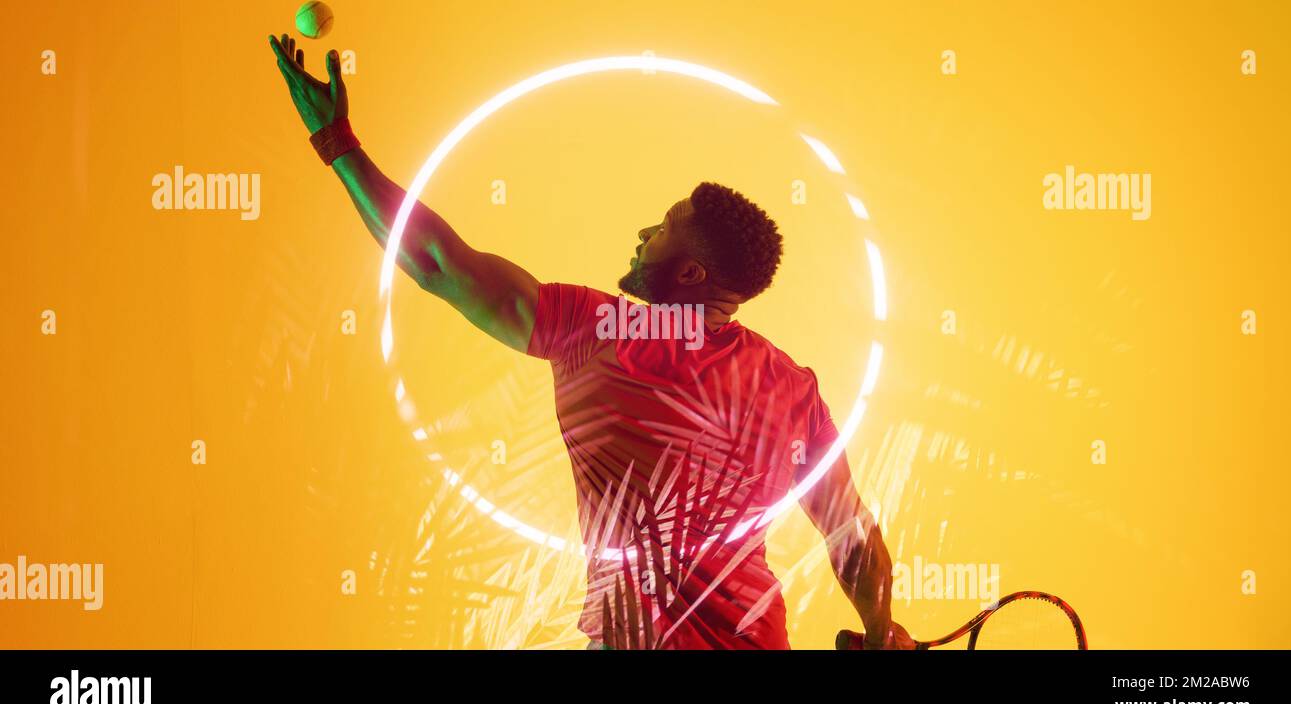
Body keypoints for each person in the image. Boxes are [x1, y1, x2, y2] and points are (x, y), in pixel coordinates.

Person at [268, 33, 914, 650]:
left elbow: (439, 263)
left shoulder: (601, 331)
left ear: (690, 273)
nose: (642, 233)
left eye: (662, 229)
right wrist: (883, 633)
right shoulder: (790, 385)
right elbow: (851, 535)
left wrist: (339, 145)